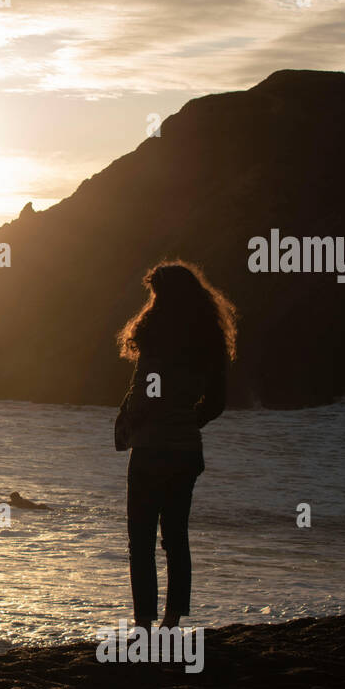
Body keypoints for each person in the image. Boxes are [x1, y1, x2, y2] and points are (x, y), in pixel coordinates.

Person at [114, 261, 236, 633]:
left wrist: (128, 424)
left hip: (150, 450)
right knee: (176, 538)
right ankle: (171, 620)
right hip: (186, 452)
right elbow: (215, 404)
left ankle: (143, 624)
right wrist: (186, 420)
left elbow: (145, 393)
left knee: (141, 539)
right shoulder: (208, 344)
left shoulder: (156, 340)